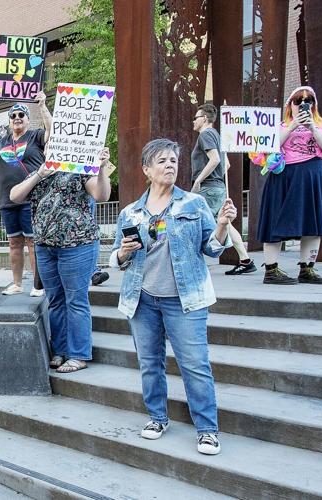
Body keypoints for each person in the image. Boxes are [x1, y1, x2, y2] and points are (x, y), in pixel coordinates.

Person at [110, 138, 236, 456]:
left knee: (194, 365)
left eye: (173, 161)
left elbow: (212, 247)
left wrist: (221, 226)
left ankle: (207, 430)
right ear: (146, 169)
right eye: (162, 161)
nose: (170, 165)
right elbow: (117, 259)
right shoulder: (130, 213)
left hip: (186, 298)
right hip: (142, 299)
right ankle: (157, 418)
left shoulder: (193, 204)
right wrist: (123, 253)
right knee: (150, 364)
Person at [10, 148, 113, 374]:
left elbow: (101, 195)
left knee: (75, 300)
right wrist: (39, 174)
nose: (52, 148)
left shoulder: (80, 169)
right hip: (46, 247)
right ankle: (60, 349)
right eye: (49, 145)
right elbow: (14, 196)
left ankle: (78, 354)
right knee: (55, 299)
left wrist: (102, 168)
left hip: (78, 245)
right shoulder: (40, 172)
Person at [258, 86, 322, 285]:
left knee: (313, 223)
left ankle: (307, 269)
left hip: (312, 176)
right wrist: (293, 126)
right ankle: (271, 270)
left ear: (314, 105)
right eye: (298, 101)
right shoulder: (280, 125)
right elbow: (269, 146)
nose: (303, 104)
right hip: (284, 176)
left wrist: (312, 127)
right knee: (275, 221)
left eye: (308, 100)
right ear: (290, 105)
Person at [0, 94, 51, 297]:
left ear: (27, 118)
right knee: (14, 242)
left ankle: (38, 285)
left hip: (31, 198)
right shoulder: (1, 142)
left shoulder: (35, 136)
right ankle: (17, 283)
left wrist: (42, 106)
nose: (17, 117)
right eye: (13, 115)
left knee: (32, 242)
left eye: (21, 115)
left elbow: (53, 133)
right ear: (9, 121)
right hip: (7, 200)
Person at [191, 103, 256, 275]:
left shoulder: (205, 135)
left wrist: (198, 180)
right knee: (224, 222)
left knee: (195, 221)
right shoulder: (218, 136)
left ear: (205, 118)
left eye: (195, 117)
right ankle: (245, 259)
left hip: (209, 188)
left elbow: (215, 160)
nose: (193, 121)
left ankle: (193, 262)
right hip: (217, 186)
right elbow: (226, 163)